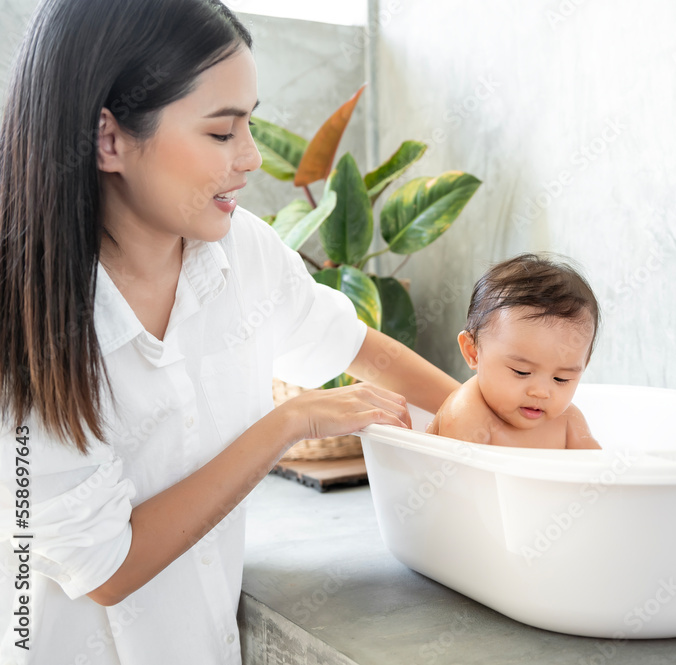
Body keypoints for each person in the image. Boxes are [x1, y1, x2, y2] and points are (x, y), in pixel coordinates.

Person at [0, 0, 459, 662]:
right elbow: (106, 569)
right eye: (221, 133)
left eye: (250, 124)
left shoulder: (242, 249)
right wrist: (289, 423)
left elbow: (351, 344)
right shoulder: (24, 321)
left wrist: (496, 422)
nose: (251, 157)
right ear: (108, 139)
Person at [427, 254, 602, 449]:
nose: (541, 392)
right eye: (522, 372)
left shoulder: (568, 422)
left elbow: (596, 464)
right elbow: (459, 470)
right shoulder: (466, 415)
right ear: (473, 352)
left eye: (561, 379)